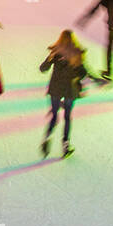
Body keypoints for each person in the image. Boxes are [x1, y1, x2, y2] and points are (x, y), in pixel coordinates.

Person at [39, 30, 90, 159]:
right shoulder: (76, 53)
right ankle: (65, 145)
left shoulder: (56, 52)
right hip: (69, 89)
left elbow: (43, 69)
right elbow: (83, 72)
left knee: (54, 115)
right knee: (67, 117)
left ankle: (47, 137)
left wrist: (50, 59)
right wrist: (76, 78)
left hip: (56, 88)